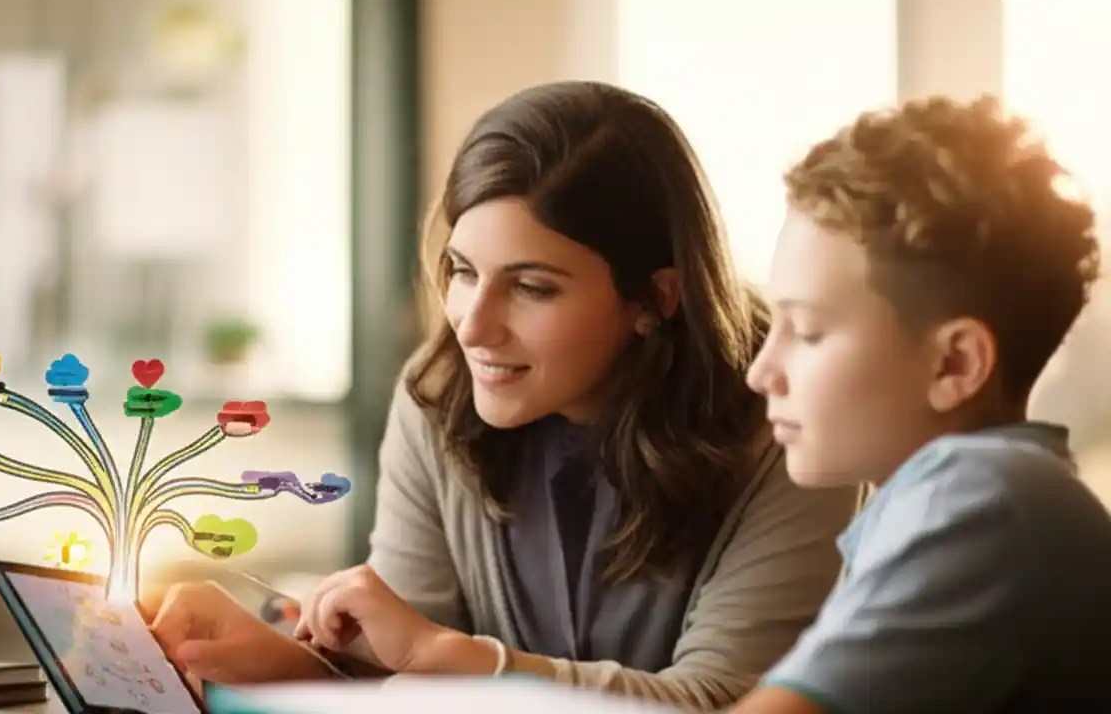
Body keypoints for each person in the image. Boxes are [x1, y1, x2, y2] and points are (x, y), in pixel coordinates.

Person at [150, 81, 857, 709]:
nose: (472, 325)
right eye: (462, 271)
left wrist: (469, 664)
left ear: (653, 297)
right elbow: (403, 677)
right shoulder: (437, 398)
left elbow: (724, 701)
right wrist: (285, 666)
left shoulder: (786, 419)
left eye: (531, 287)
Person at [730, 96, 1111, 713]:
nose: (760, 372)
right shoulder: (979, 500)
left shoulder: (983, 495)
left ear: (954, 364)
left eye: (807, 331)